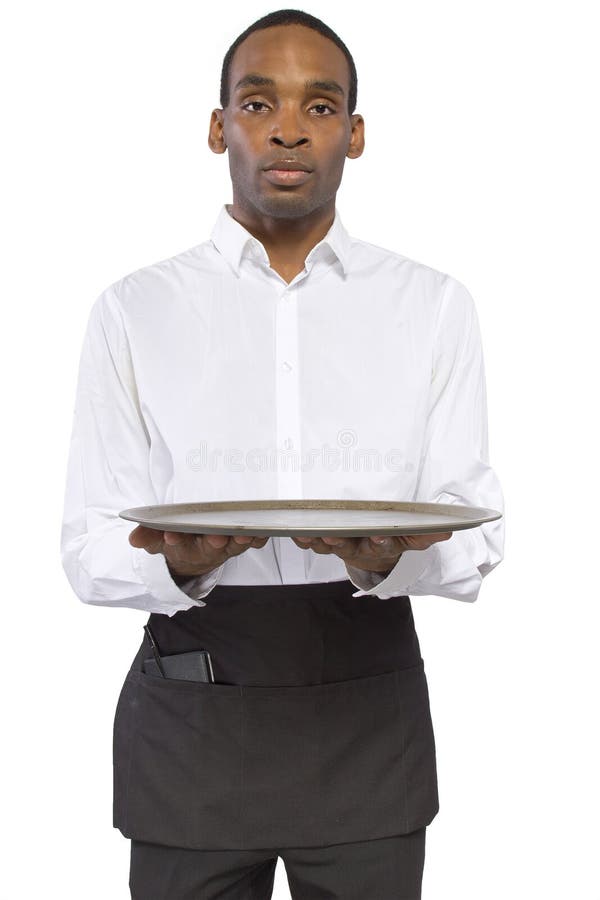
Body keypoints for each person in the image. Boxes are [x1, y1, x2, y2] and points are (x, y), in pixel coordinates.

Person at [60, 8, 505, 898]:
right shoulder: (133, 310)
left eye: (321, 104)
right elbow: (87, 552)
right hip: (194, 714)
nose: (290, 127)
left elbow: (476, 543)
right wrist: (179, 565)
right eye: (259, 103)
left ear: (357, 132)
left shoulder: (433, 306)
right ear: (219, 126)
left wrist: (387, 563)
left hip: (365, 714)